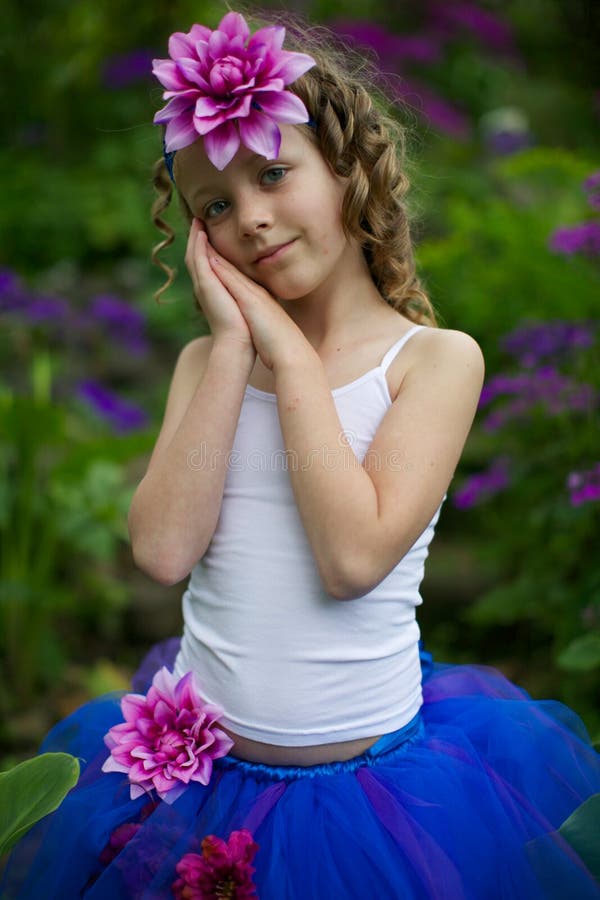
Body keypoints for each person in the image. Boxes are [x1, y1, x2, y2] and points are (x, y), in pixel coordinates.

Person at [2, 10, 599, 899]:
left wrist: (287, 356)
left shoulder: (433, 363)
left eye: (274, 174)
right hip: (196, 787)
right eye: (214, 206)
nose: (250, 217)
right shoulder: (206, 366)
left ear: (350, 169)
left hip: (373, 799)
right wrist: (234, 350)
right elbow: (162, 551)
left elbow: (352, 560)